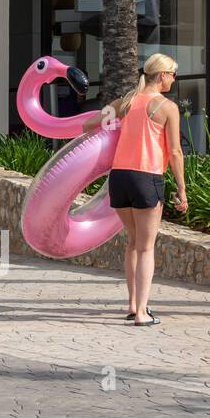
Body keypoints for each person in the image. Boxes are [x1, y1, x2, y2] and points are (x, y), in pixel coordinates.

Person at [85, 53, 188, 326]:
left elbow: (90, 124)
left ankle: (132, 305)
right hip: (147, 178)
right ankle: (142, 313)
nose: (174, 80)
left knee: (132, 243)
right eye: (173, 74)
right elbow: (176, 152)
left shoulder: (126, 102)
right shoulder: (167, 107)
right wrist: (182, 188)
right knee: (145, 247)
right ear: (163, 75)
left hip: (119, 179)